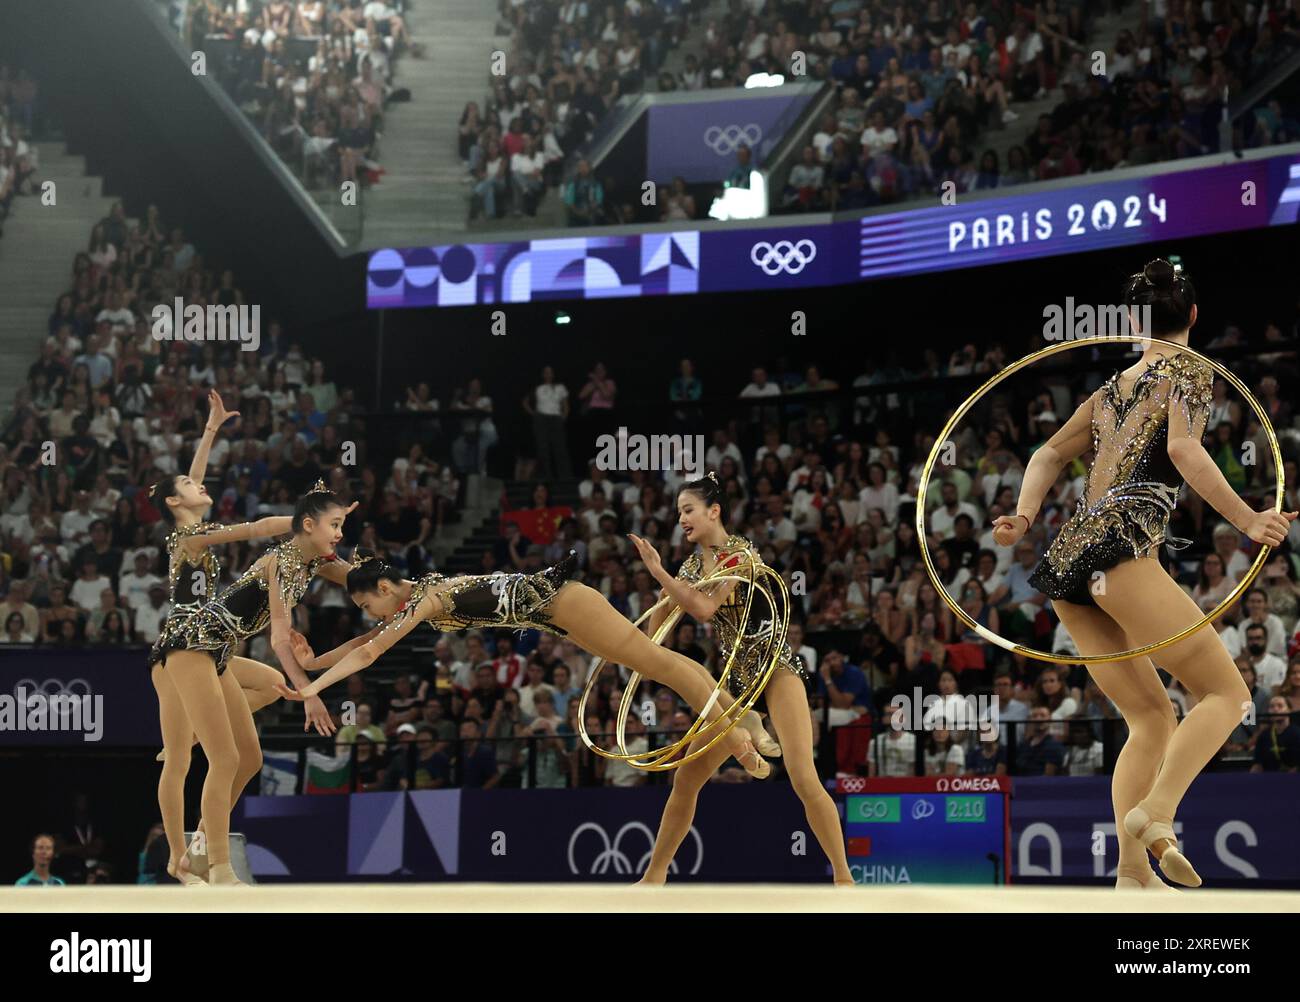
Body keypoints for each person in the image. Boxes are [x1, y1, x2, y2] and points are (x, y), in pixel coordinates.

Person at [995, 259, 1296, 889]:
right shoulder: (1190, 370)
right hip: (1120, 547)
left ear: (1132, 321)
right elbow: (1185, 451)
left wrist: (1024, 519)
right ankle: (1156, 814)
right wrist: (1250, 519)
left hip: (1071, 562)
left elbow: (1048, 452)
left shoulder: (1109, 390)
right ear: (1192, 315)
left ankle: (1132, 873)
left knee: (1152, 718)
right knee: (1228, 694)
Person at [274, 546, 771, 779]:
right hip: (556, 619)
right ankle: (742, 720)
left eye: (367, 605)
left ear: (384, 590)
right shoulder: (412, 597)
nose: (369, 615)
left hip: (564, 602)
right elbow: (367, 638)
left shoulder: (424, 600)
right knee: (658, 661)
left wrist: (316, 688)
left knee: (656, 664)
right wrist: (315, 663)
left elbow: (369, 650)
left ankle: (740, 730)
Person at [629, 472, 855, 885]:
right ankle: (653, 879)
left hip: (774, 668)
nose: (681, 519)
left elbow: (704, 609)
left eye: (688, 510)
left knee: (803, 775)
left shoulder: (741, 553)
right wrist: (658, 611)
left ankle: (844, 878)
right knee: (687, 776)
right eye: (678, 512)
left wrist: (661, 575)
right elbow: (653, 639)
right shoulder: (693, 565)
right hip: (735, 681)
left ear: (714, 511)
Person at [149, 481, 355, 884]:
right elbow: (279, 637)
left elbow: (358, 579)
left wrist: (413, 595)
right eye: (335, 525)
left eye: (342, 525)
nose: (340, 534)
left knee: (250, 757)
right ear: (309, 525)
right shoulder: (272, 558)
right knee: (217, 758)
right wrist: (310, 691)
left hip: (218, 653)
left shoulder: (313, 559)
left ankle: (200, 847)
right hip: (191, 645)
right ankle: (217, 867)